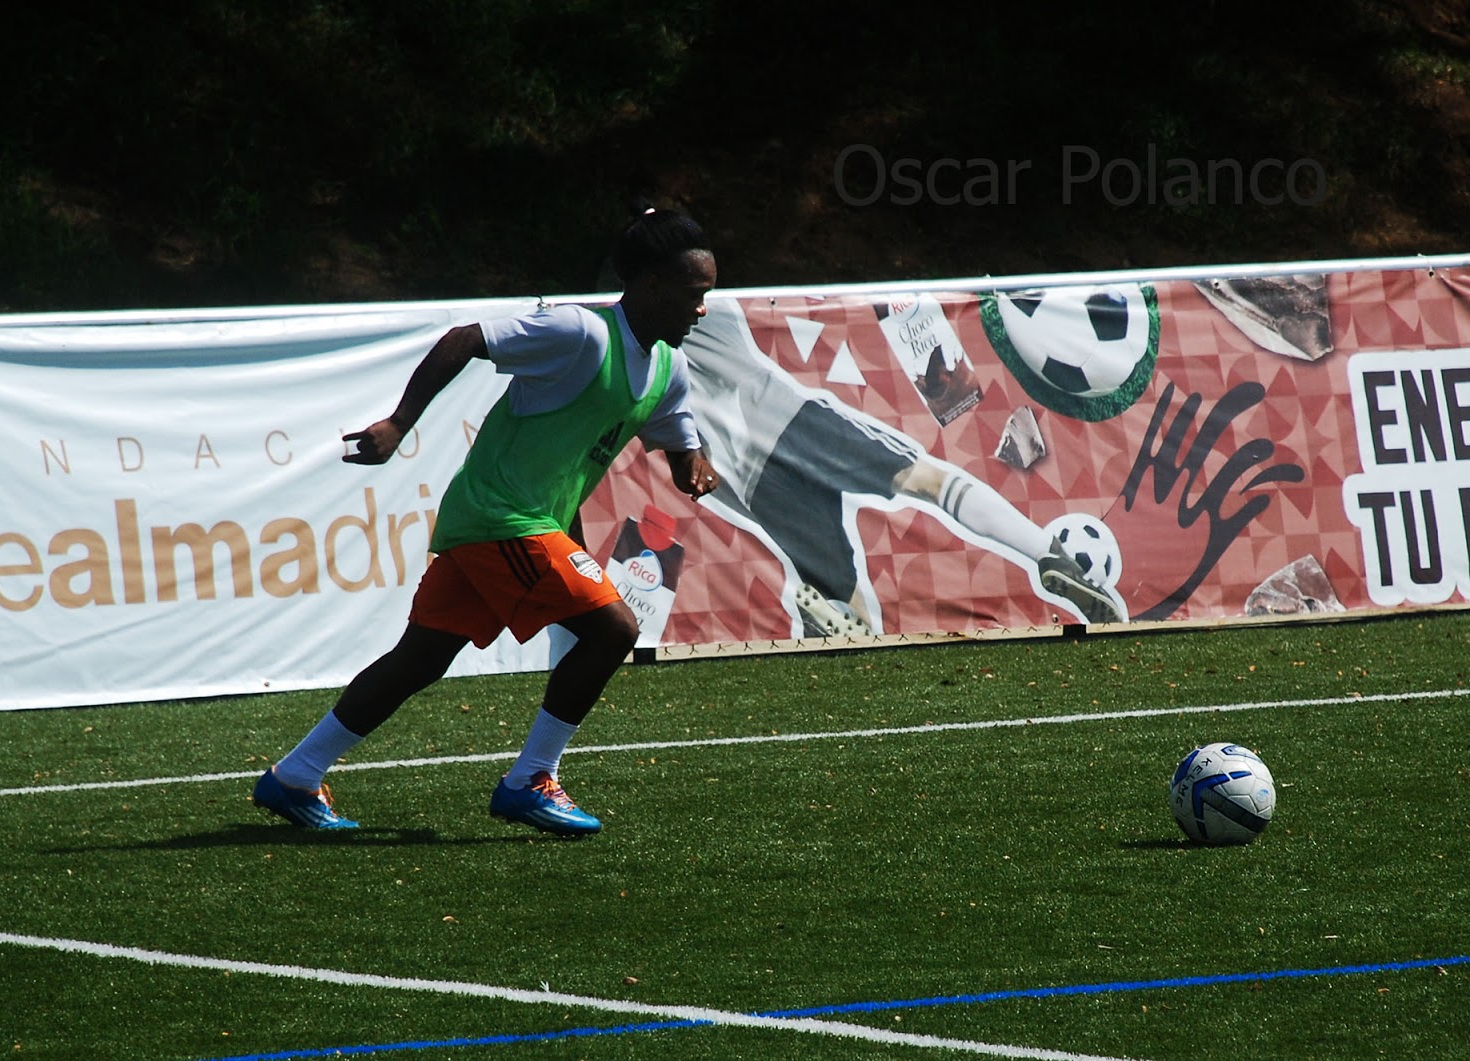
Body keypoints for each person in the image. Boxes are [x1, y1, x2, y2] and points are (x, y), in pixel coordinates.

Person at [252, 208, 720, 835]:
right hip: (500, 516)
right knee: (613, 630)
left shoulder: (668, 367)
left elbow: (676, 438)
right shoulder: (582, 333)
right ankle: (530, 780)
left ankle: (294, 777)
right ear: (653, 285)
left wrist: (693, 463)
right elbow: (466, 339)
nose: (702, 310)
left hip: (519, 523)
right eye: (695, 295)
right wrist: (398, 423)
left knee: (417, 661)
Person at [682, 299, 1126, 634]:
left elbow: (679, 452)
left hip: (753, 483)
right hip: (792, 420)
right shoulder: (698, 315)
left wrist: (745, 504)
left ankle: (862, 647)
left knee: (844, 591)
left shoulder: (635, 360)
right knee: (925, 480)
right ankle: (1049, 557)